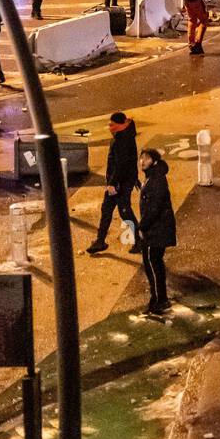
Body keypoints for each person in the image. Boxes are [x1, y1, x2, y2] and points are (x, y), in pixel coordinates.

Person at [87, 112, 141, 256]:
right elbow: (130, 160)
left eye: (112, 125)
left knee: (124, 211)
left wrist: (112, 183)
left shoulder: (121, 140)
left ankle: (139, 240)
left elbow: (121, 165)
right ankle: (100, 241)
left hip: (119, 183)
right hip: (122, 180)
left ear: (120, 125)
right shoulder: (126, 134)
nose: (109, 127)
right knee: (107, 210)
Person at [138, 148, 176, 314]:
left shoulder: (156, 180)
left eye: (146, 159)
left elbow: (154, 208)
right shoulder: (153, 177)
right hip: (157, 228)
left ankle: (158, 300)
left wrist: (142, 227)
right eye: (141, 159)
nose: (142, 162)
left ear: (153, 161)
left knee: (152, 263)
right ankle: (161, 298)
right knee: (155, 262)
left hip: (156, 230)